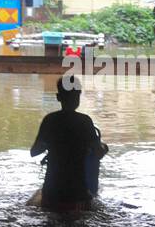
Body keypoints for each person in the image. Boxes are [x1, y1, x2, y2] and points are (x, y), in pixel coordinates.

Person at [30, 75, 107, 212]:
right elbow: (98, 153)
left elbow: (34, 151)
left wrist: (52, 144)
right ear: (78, 96)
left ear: (58, 97)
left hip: (52, 193)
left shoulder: (50, 120)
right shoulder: (85, 122)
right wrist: (103, 148)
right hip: (77, 194)